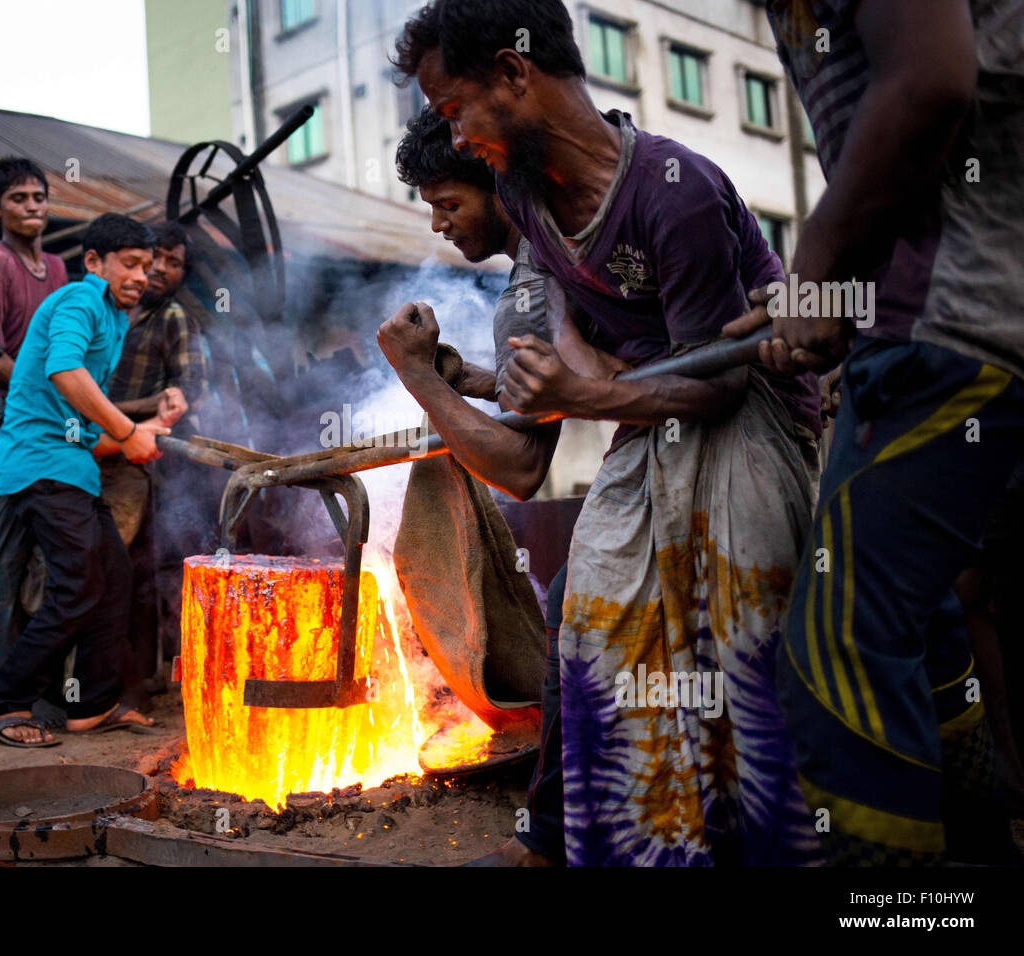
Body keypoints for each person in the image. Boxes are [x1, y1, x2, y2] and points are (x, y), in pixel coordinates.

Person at [395, 0, 823, 865]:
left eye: (454, 112)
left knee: (738, 642)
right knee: (590, 622)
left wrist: (583, 389)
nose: (457, 136)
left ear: (516, 74)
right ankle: (633, 844)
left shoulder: (679, 192)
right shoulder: (522, 189)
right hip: (648, 426)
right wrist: (540, 379)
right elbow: (573, 348)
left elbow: (718, 385)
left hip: (747, 425)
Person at [722, 0, 1024, 865]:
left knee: (835, 665)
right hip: (944, 322)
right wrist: (833, 293)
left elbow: (930, 79)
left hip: (962, 323)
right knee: (930, 620)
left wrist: (816, 272)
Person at [381, 106, 628, 866]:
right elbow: (562, 390)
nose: (438, 226)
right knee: (578, 619)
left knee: (579, 617)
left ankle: (550, 842)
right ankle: (557, 833)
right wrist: (484, 383)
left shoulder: (533, 276)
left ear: (496, 184)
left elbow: (521, 471)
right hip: (691, 429)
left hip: (706, 442)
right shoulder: (566, 236)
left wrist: (420, 376)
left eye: (447, 204)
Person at [0, 213, 168, 747]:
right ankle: (5, 703)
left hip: (72, 465)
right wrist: (130, 428)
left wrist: (142, 433)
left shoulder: (116, 320)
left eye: (146, 266)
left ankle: (92, 704)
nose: (140, 275)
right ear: (93, 263)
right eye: (128, 263)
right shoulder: (80, 301)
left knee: (114, 573)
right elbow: (64, 371)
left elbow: (84, 423)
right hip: (40, 465)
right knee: (79, 583)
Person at [0, 158, 68, 687]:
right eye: (19, 198)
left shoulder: (61, 271)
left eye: (39, 196)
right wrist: (48, 390)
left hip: (44, 424)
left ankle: (37, 686)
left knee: (47, 554)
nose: (32, 206)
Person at [101, 221, 204, 708]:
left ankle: (138, 683)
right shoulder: (102, 309)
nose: (159, 270)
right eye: (152, 258)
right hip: (82, 450)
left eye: (173, 262)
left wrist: (164, 408)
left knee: (139, 568)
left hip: (141, 460)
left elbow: (189, 391)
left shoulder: (175, 319)